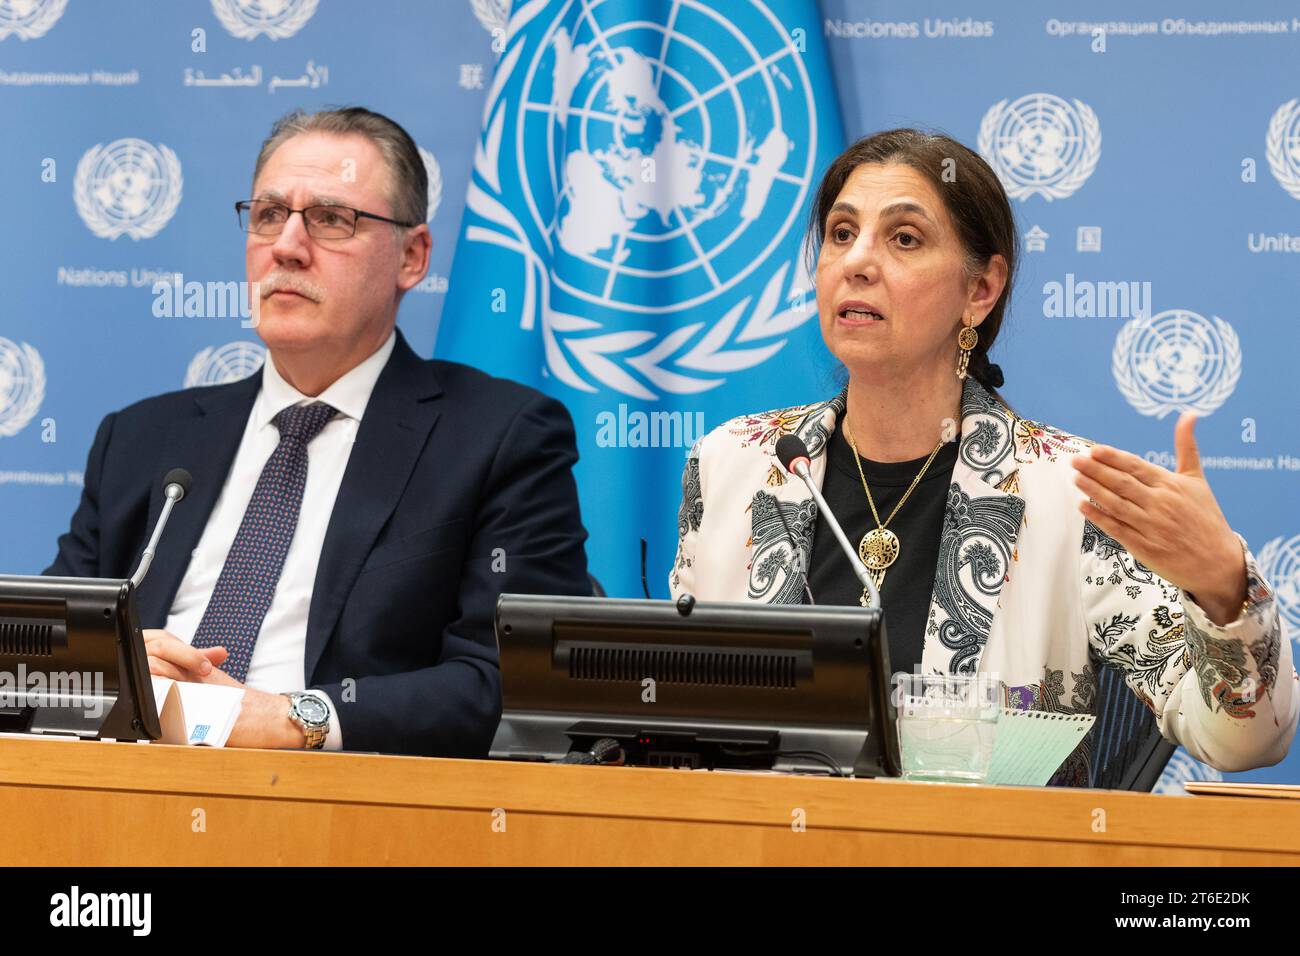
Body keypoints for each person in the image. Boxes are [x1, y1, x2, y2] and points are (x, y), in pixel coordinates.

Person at [669, 128, 1297, 779]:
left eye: (904, 238)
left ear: (981, 290)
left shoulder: (1071, 493)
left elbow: (1247, 742)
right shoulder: (734, 465)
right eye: (840, 233)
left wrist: (1225, 589)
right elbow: (672, 721)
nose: (857, 261)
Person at [46, 107, 591, 757]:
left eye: (331, 219)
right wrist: (112, 675)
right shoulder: (142, 440)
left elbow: (509, 682)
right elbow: (42, 656)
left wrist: (290, 719)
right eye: (269, 214)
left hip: (341, 813)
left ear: (412, 257)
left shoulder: (498, 437)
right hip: (112, 797)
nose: (286, 246)